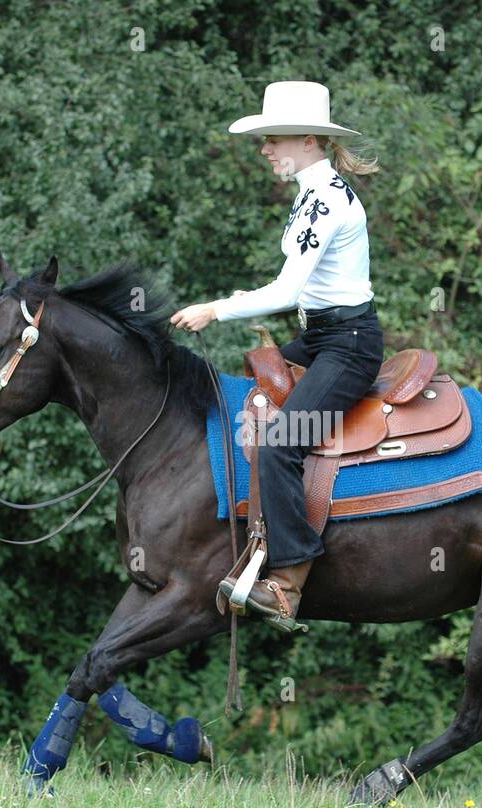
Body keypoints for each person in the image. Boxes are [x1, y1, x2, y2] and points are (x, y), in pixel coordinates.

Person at [170, 80, 384, 631]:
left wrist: (216, 310)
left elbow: (288, 292)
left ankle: (287, 585)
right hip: (320, 336)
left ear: (308, 140)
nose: (265, 149)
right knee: (249, 392)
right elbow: (302, 286)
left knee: (282, 444)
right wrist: (251, 301)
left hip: (348, 347)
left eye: (274, 139)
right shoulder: (312, 192)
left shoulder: (328, 199)